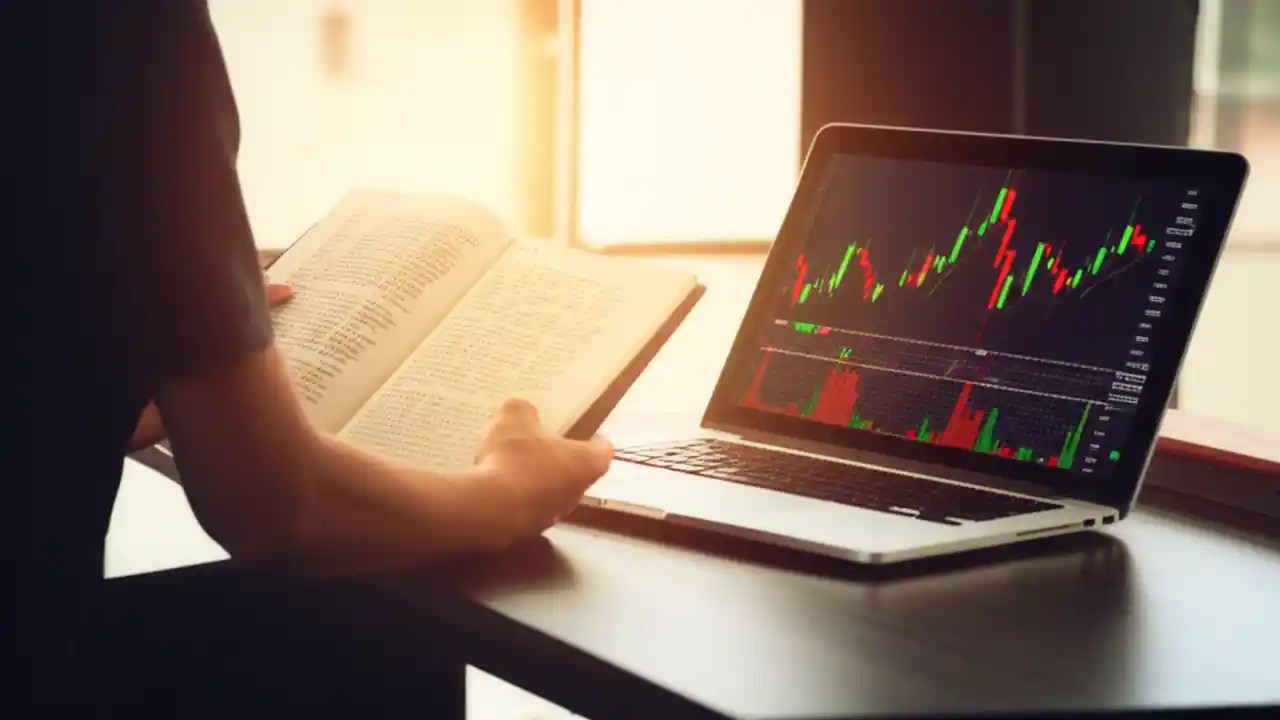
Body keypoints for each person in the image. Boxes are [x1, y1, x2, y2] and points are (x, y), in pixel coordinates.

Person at [14, 2, 611, 712]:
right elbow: (279, 508)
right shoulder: (129, 27)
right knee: (369, 625)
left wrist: (89, 394)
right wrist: (510, 494)